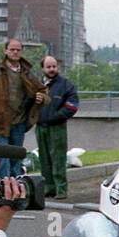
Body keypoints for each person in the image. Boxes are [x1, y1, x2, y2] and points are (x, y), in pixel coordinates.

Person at [0, 38, 45, 177]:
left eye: (18, 50)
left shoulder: (27, 72)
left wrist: (42, 98)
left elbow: (42, 90)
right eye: (12, 49)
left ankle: (16, 187)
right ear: (5, 51)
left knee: (16, 157)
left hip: (19, 122)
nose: (15, 52)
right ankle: (3, 187)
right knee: (3, 158)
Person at [35, 55, 78, 199]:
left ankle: (61, 189)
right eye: (48, 67)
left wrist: (56, 116)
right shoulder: (37, 85)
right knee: (44, 158)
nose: (52, 69)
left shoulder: (66, 85)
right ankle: (49, 187)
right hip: (40, 126)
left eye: (54, 66)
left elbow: (72, 106)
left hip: (57, 127)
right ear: (43, 69)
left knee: (58, 158)